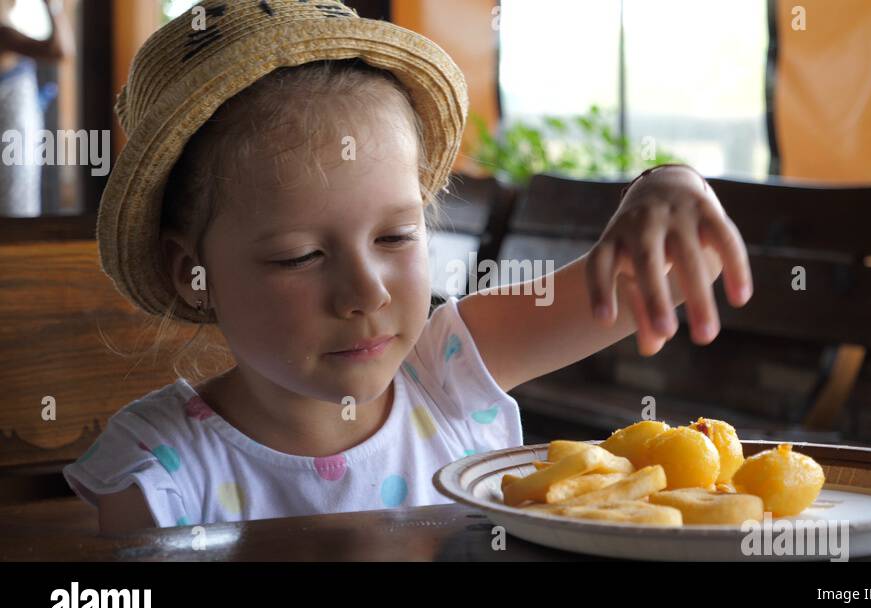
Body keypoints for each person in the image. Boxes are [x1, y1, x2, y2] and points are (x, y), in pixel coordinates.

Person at [62, 0, 753, 534]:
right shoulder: (163, 470)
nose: (366, 292)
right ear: (193, 271)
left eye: (396, 237)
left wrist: (668, 186)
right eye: (301, 256)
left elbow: (641, 281)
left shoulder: (445, 370)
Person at [0, 0, 74, 216]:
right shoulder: (4, 34)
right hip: (12, 134)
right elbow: (61, 50)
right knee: (14, 201)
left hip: (13, 133)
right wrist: (54, 6)